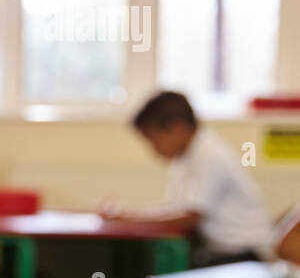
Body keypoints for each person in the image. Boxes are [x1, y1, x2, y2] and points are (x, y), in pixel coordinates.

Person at [105, 90, 272, 263]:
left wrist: (129, 218)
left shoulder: (209, 156)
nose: (153, 149)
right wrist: (128, 215)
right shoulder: (187, 156)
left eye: (153, 139)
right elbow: (176, 209)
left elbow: (188, 217)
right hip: (221, 251)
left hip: (243, 255)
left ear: (178, 128)